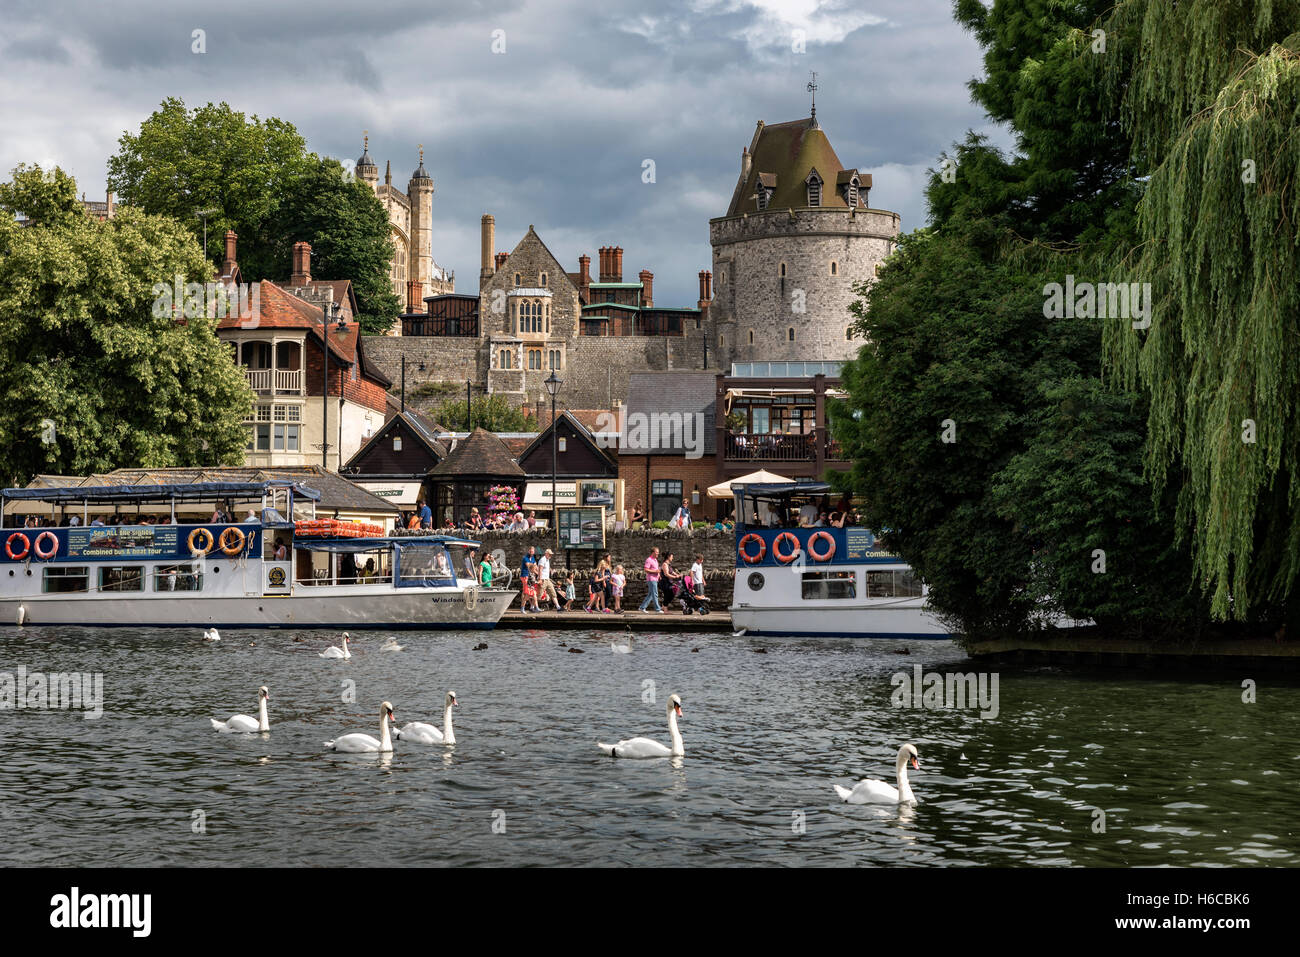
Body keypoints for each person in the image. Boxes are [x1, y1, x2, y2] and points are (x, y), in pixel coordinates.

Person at [638, 547, 664, 613]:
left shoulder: (655, 560)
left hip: (655, 579)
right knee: (655, 594)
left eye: (658, 552)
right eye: (656, 552)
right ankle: (658, 609)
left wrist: (659, 575)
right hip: (651, 579)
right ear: (653, 552)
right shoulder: (649, 560)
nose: (658, 553)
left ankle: (642, 607)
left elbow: (656, 570)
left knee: (650, 594)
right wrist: (655, 571)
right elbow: (646, 569)